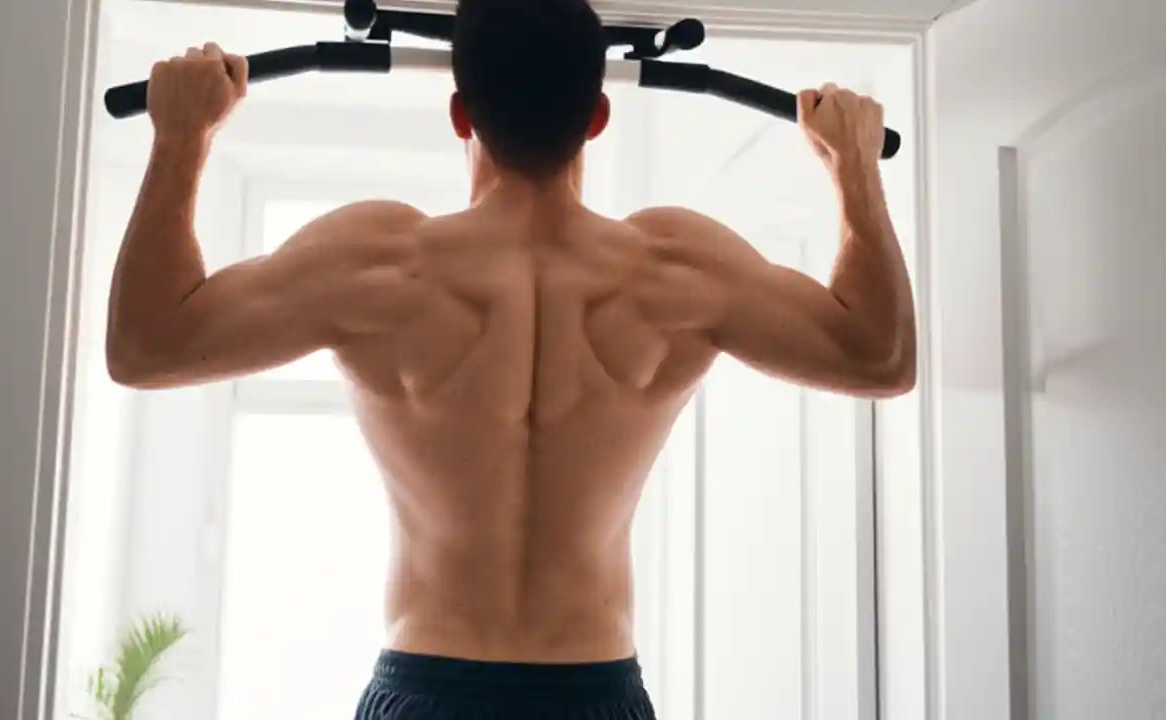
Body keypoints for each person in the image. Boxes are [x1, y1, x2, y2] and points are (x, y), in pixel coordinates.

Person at [106, 0, 916, 717]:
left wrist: (182, 141)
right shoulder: (675, 269)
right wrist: (854, 172)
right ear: (598, 115)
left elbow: (147, 347)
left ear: (461, 113)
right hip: (594, 690)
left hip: (427, 686)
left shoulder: (379, 263)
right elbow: (879, 358)